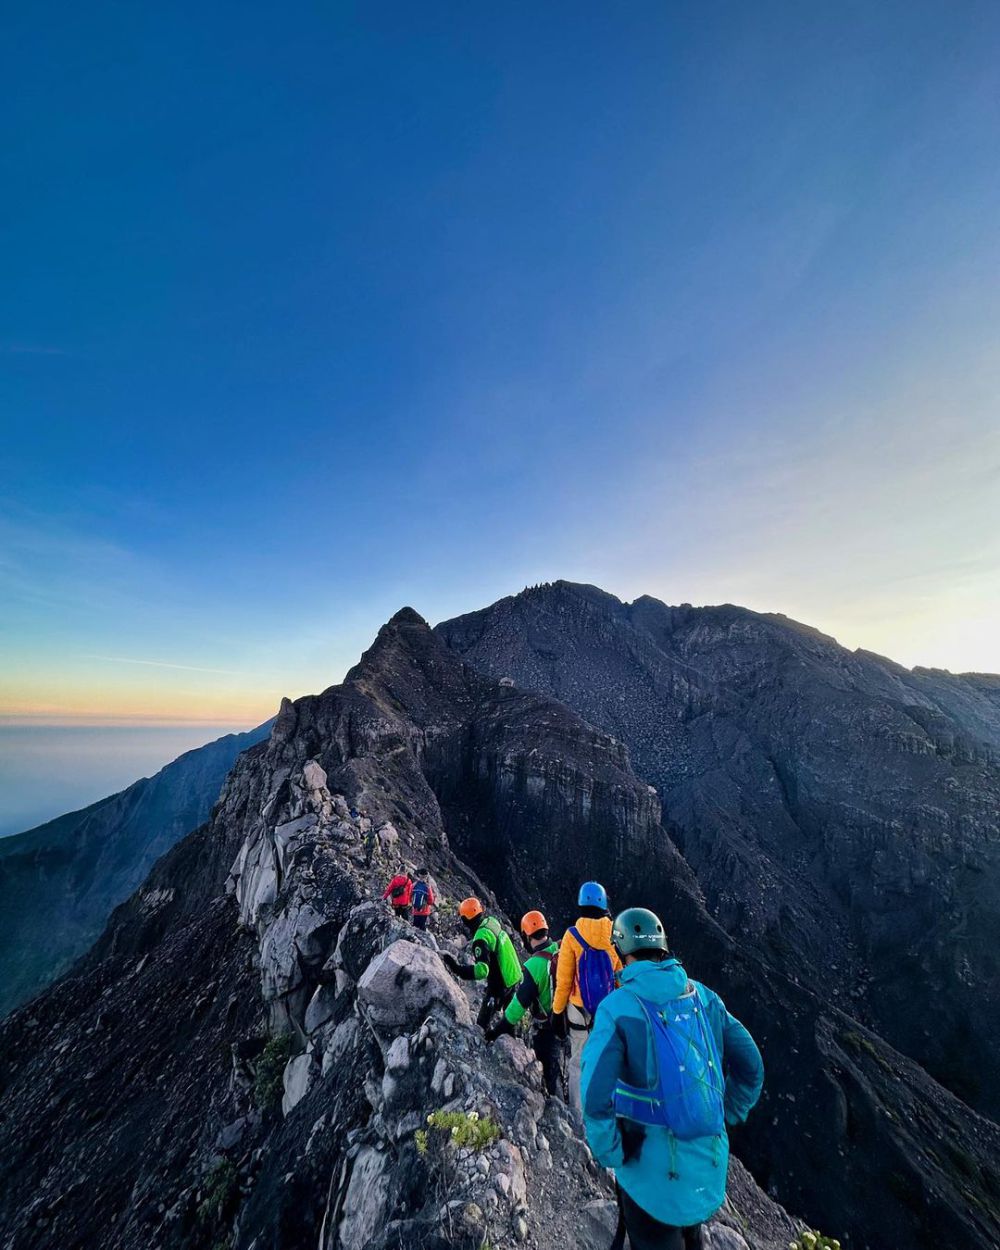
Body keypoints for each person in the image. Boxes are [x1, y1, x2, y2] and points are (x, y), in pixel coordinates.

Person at [580, 908, 764, 1250]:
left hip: (649, 1180)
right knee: (690, 1232)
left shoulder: (617, 1008)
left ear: (621, 951)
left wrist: (612, 1153)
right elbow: (752, 1066)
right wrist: (728, 1112)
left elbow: (593, 1097)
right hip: (707, 1168)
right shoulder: (705, 998)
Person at [551, 880, 622, 1113]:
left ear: (581, 904)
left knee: (578, 1063)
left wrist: (557, 1012)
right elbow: (619, 977)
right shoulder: (614, 936)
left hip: (578, 1011)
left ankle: (579, 1117)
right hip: (607, 1011)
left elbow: (563, 981)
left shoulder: (572, 936)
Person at [485, 910, 565, 1096]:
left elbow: (518, 1006)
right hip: (567, 1019)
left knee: (549, 1069)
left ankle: (554, 1101)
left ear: (526, 936)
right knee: (560, 1066)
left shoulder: (533, 966)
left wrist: (495, 1032)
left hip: (547, 1026)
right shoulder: (560, 950)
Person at [441, 897, 522, 1030]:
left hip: (500, 983)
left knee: (482, 1024)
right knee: (509, 1020)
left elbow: (482, 971)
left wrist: (457, 969)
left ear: (465, 920)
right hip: (514, 975)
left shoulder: (480, 938)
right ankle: (510, 1036)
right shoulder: (491, 921)